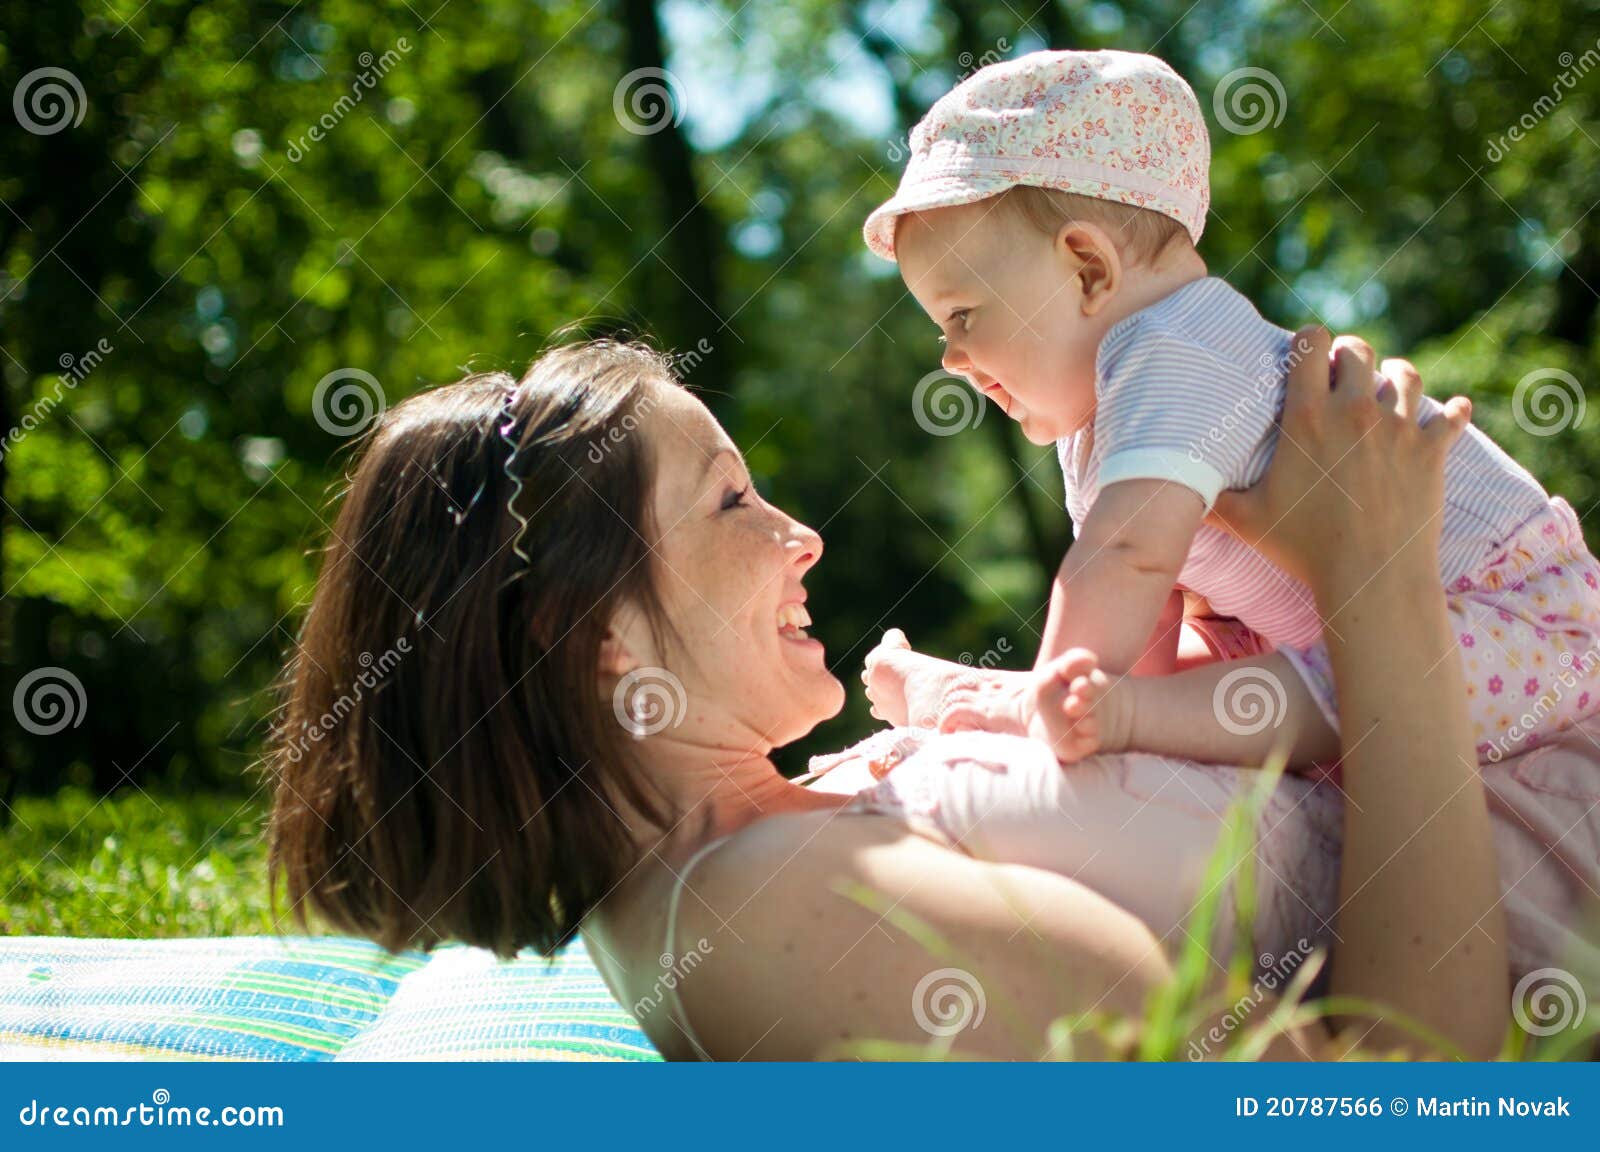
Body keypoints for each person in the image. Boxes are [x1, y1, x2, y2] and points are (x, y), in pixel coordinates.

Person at [266, 334, 1548, 1061]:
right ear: (590, 631)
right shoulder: (765, 910)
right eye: (729, 501)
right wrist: (1377, 582)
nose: (801, 534)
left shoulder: (761, 848)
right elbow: (1402, 1096)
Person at [858, 49, 1600, 776]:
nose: (950, 358)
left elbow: (1124, 558)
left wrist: (1071, 695)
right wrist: (1095, 694)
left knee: (1340, 679)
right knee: (1208, 674)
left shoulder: (1171, 343)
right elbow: (1140, 601)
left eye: (961, 316)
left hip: (1517, 623)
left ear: (1089, 270)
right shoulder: (1098, 408)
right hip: (1324, 628)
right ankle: (1027, 704)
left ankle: (1017, 703)